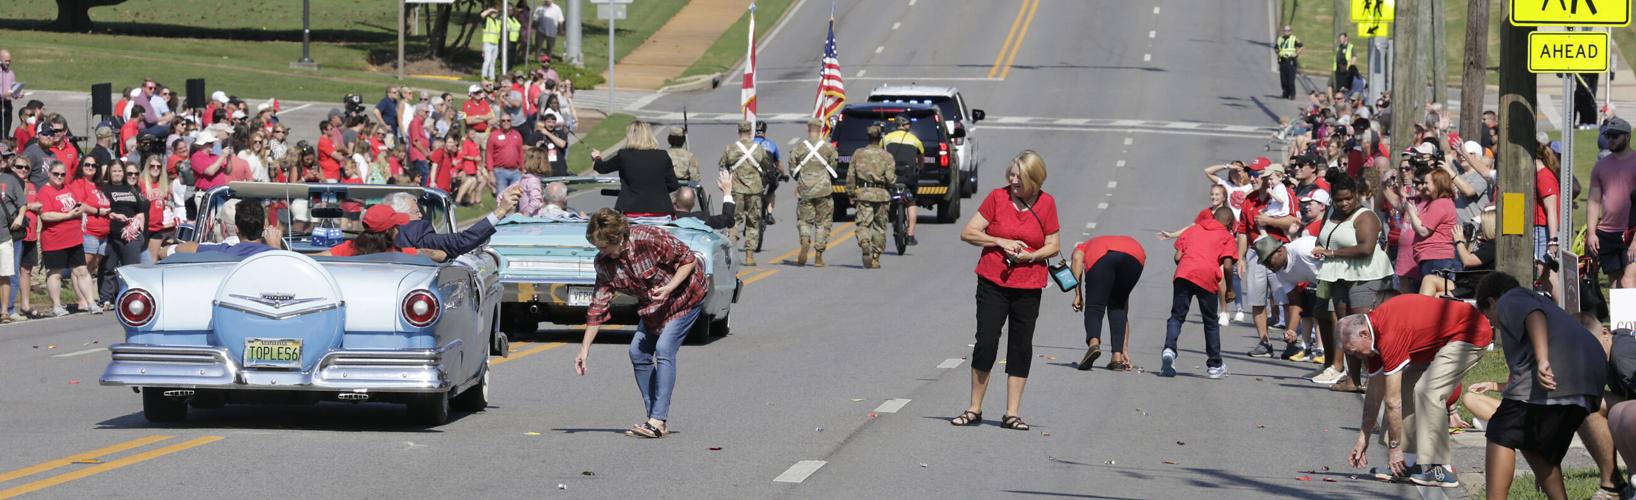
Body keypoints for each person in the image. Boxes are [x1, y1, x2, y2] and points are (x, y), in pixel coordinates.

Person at [572, 208, 708, 439]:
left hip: (686, 298)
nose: (601, 252)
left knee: (664, 348)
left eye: (605, 247)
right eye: (598, 247)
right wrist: (584, 350)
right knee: (638, 353)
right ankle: (654, 419)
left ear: (620, 238)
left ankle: (658, 420)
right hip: (654, 308)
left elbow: (688, 260)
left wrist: (669, 288)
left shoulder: (649, 238)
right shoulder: (604, 264)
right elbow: (598, 306)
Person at [1464, 313, 1624, 500]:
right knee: (1472, 400)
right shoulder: (1532, 348)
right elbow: (1519, 385)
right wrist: (1492, 385)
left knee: (1507, 433)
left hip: (1538, 406)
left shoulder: (1619, 353)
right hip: (1528, 404)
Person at [1475, 273, 1608, 498]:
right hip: (1588, 383)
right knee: (1533, 444)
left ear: (1491, 301)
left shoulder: (1510, 298)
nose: (1493, 324)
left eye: (1489, 317)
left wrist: (1542, 359)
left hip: (1557, 374)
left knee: (1500, 430)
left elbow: (1533, 316)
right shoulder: (1544, 303)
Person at [953, 150, 1059, 431]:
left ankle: (1012, 413)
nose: (1013, 181)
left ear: (1034, 179)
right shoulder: (997, 198)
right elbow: (968, 232)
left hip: (1029, 284)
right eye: (1011, 175)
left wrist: (1031, 256)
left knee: (1021, 346)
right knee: (986, 342)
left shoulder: (1046, 203)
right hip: (993, 282)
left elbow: (1054, 245)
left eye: (1019, 178)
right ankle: (974, 408)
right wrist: (1000, 241)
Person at [1340, 294, 1491, 488]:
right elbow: (1375, 393)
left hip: (1470, 332)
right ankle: (1407, 463)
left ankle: (1440, 468)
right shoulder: (1373, 340)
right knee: (1405, 388)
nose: (1354, 356)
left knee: (1428, 391)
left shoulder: (1389, 336)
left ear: (1363, 334)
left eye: (1352, 350)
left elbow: (1393, 403)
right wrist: (1363, 437)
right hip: (1439, 340)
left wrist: (1394, 448)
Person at [1311, 175, 1394, 391]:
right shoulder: (1331, 213)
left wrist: (1332, 252)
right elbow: (1323, 238)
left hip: (1366, 275)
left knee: (1364, 330)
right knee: (1346, 329)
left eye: (1348, 198)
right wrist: (1321, 250)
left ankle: (1376, 380)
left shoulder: (1365, 216)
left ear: (1356, 195)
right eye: (1339, 200)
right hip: (1339, 276)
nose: (1344, 203)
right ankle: (1353, 380)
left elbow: (1366, 248)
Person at [1160, 207, 1238, 379]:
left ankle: (1169, 350)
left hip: (1184, 273)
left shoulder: (1194, 229)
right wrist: (1230, 289)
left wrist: (1188, 268)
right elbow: (1227, 266)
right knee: (1210, 321)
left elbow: (1177, 257)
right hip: (1207, 277)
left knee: (1177, 316)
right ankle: (1215, 365)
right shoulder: (1227, 237)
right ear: (1228, 222)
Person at [1070, 235, 1146, 371]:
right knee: (1118, 306)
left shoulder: (1082, 246)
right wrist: (1124, 349)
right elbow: (1124, 309)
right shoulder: (1110, 242)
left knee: (1094, 306)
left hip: (1104, 256)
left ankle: (1094, 345)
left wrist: (1078, 295)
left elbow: (1076, 259)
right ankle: (1117, 358)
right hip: (1136, 255)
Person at [35, 161, 99, 316]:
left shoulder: (68, 188)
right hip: (54, 239)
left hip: (74, 238)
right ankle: (57, 306)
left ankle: (91, 303)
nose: (59, 177)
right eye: (56, 174)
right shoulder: (44, 192)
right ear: (49, 173)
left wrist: (79, 210)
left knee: (82, 270)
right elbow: (45, 215)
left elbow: (77, 205)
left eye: (62, 174)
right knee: (55, 273)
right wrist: (68, 215)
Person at [390, 188, 519, 257]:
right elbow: (461, 241)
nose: (420, 215)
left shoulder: (379, 234)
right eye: (416, 212)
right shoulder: (415, 230)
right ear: (401, 214)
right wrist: (500, 211)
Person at [593, 121, 678, 217]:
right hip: (661, 211)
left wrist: (597, 158)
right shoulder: (663, 155)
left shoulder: (624, 155)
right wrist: (657, 192)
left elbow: (602, 168)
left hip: (633, 211)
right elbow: (673, 184)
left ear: (630, 136)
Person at [1588, 117, 1636, 288]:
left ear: (1627, 136)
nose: (1610, 140)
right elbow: (1594, 202)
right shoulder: (1600, 166)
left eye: (1615, 136)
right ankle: (1622, 309)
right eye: (1608, 136)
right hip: (1607, 233)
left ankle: (1630, 309)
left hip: (1631, 232)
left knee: (1628, 280)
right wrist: (1592, 233)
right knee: (1615, 283)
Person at [788, 117, 839, 267]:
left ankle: (805, 240)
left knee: (804, 220)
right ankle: (818, 256)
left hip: (805, 189)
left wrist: (801, 178)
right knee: (822, 223)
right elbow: (834, 167)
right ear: (821, 129)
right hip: (823, 190)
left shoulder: (799, 147)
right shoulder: (828, 148)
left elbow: (792, 168)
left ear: (808, 129)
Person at [720, 121, 772, 265]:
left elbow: (722, 165)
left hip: (736, 190)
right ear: (750, 132)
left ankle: (731, 248)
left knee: (733, 220)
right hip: (754, 190)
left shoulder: (730, 148)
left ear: (738, 132)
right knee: (753, 222)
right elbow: (766, 165)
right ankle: (749, 256)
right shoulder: (758, 148)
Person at [1404, 168, 1460, 297]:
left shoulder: (1440, 204)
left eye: (1427, 183)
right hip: (1431, 257)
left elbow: (1423, 231)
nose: (1424, 186)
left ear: (1437, 184)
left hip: (1436, 258)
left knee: (1432, 298)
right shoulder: (1435, 202)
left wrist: (1411, 212)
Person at [320, 204, 445, 261]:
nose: (398, 229)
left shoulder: (349, 248)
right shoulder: (395, 253)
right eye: (395, 226)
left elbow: (318, 257)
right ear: (388, 231)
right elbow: (440, 255)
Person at [846, 125, 895, 269]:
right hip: (881, 195)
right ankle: (875, 258)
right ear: (880, 138)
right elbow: (891, 179)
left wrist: (850, 193)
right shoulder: (887, 156)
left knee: (863, 224)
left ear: (868, 137)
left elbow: (851, 176)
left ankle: (864, 241)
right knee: (880, 227)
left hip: (864, 194)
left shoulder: (858, 153)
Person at [99, 160, 145, 307]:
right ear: (109, 172)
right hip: (112, 234)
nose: (117, 174)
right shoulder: (104, 188)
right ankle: (106, 298)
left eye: (120, 171)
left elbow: (140, 210)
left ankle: (129, 298)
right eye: (114, 171)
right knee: (108, 268)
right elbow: (101, 208)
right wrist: (113, 215)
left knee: (131, 269)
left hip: (131, 235)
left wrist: (139, 224)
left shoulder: (131, 188)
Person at [882, 115, 924, 245]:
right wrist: (919, 168)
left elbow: (880, 154)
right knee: (911, 202)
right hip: (908, 177)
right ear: (905, 125)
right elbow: (921, 158)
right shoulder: (915, 140)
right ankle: (910, 236)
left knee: (886, 196)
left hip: (891, 176)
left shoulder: (886, 138)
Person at [750, 121, 786, 226]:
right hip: (769, 176)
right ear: (764, 132)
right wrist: (783, 175)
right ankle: (769, 214)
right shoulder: (771, 144)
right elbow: (778, 164)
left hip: (753, 175)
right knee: (771, 192)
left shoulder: (749, 144)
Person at [0, 148, 20, 322]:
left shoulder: (10, 179)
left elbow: (23, 203)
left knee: (4, 274)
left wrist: (20, 218)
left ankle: (5, 311)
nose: (3, 161)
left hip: (4, 235)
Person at [486, 113, 525, 196]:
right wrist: (491, 173)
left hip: (515, 172)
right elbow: (489, 155)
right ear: (500, 122)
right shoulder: (493, 135)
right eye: (503, 120)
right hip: (500, 172)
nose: (506, 122)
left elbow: (521, 153)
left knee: (517, 197)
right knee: (502, 198)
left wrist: (523, 169)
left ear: (511, 122)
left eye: (508, 120)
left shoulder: (517, 135)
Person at [1275, 25, 1303, 99]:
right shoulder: (1280, 39)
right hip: (1282, 61)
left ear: (1290, 31)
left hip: (1291, 61)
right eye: (1284, 30)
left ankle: (1292, 94)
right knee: (1283, 80)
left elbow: (1301, 46)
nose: (1286, 32)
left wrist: (1296, 53)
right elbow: (1276, 48)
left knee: (1290, 80)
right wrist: (1278, 53)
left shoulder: (1294, 39)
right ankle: (1285, 93)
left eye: (1287, 30)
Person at [0, 50, 18, 136]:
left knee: (6, 131)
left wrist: (18, 93)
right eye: (6, 61)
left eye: (9, 61)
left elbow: (13, 90)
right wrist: (3, 95)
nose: (8, 63)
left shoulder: (11, 73)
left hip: (7, 105)